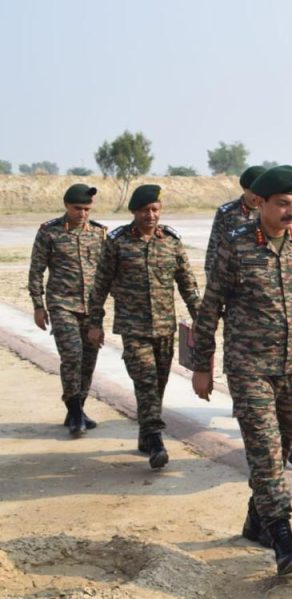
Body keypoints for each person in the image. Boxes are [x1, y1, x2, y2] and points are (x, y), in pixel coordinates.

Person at [190, 165, 292, 576]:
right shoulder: (237, 245)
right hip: (250, 368)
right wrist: (202, 365)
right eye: (282, 204)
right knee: (266, 454)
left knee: (279, 452)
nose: (291, 211)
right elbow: (209, 308)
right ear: (260, 204)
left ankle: (255, 519)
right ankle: (283, 539)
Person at [87, 185, 201, 469]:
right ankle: (156, 441)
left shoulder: (171, 241)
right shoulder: (117, 242)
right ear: (134, 212)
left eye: (155, 210)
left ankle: (145, 434)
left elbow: (187, 283)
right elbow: (99, 285)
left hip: (165, 328)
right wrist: (94, 323)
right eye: (144, 210)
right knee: (146, 381)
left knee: (158, 384)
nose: (151, 215)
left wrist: (201, 318)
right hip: (133, 328)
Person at [28, 183, 107, 436]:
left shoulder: (99, 233)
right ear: (66, 206)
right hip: (62, 304)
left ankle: (78, 407)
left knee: (88, 361)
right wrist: (39, 306)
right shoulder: (49, 232)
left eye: (86, 209)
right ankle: (74, 411)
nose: (82, 214)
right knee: (72, 356)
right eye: (77, 208)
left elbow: (109, 272)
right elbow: (36, 270)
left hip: (92, 308)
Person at [204, 165, 264, 278]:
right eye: (253, 192)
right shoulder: (227, 212)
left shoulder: (271, 210)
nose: (256, 196)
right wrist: (211, 279)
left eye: (260, 191)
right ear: (244, 189)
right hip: (235, 275)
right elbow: (214, 247)